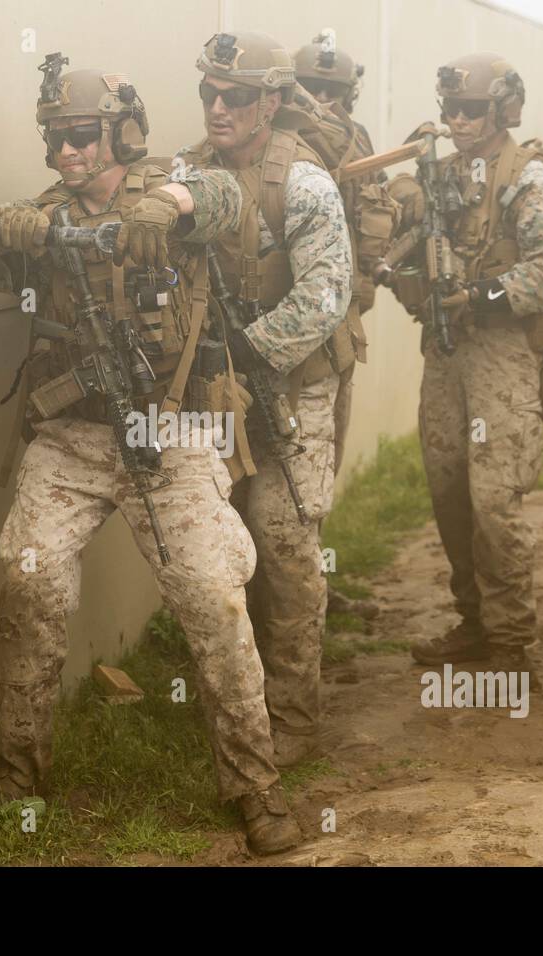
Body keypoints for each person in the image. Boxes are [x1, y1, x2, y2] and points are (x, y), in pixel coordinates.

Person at [0, 57, 302, 855]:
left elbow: (228, 199)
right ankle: (19, 770)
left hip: (170, 434)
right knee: (30, 578)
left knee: (213, 597)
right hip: (74, 436)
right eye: (55, 139)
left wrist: (168, 204)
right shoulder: (50, 213)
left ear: (120, 133)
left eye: (81, 135)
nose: (67, 152)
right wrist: (9, 231)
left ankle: (256, 786)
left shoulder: (177, 183)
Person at [178, 31, 354, 769]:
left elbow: (326, 296)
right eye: (209, 93)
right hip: (215, 391)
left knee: (284, 547)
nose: (218, 108)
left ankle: (294, 715)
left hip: (289, 387)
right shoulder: (188, 174)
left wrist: (247, 355)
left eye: (237, 96)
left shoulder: (303, 184)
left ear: (272, 102)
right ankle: (234, 710)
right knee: (219, 549)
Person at [385, 53, 543, 682]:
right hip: (446, 355)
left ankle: (511, 643)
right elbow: (398, 240)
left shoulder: (530, 179)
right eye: (451, 109)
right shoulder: (438, 175)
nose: (459, 121)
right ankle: (474, 622)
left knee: (494, 500)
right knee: (448, 490)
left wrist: (477, 296)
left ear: (503, 110)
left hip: (503, 352)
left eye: (472, 110)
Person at [294, 33, 395, 619]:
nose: (322, 100)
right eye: (311, 88)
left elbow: (372, 223)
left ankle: (313, 593)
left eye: (332, 91)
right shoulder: (278, 143)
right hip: (277, 330)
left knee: (320, 470)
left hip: (337, 333)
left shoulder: (359, 142)